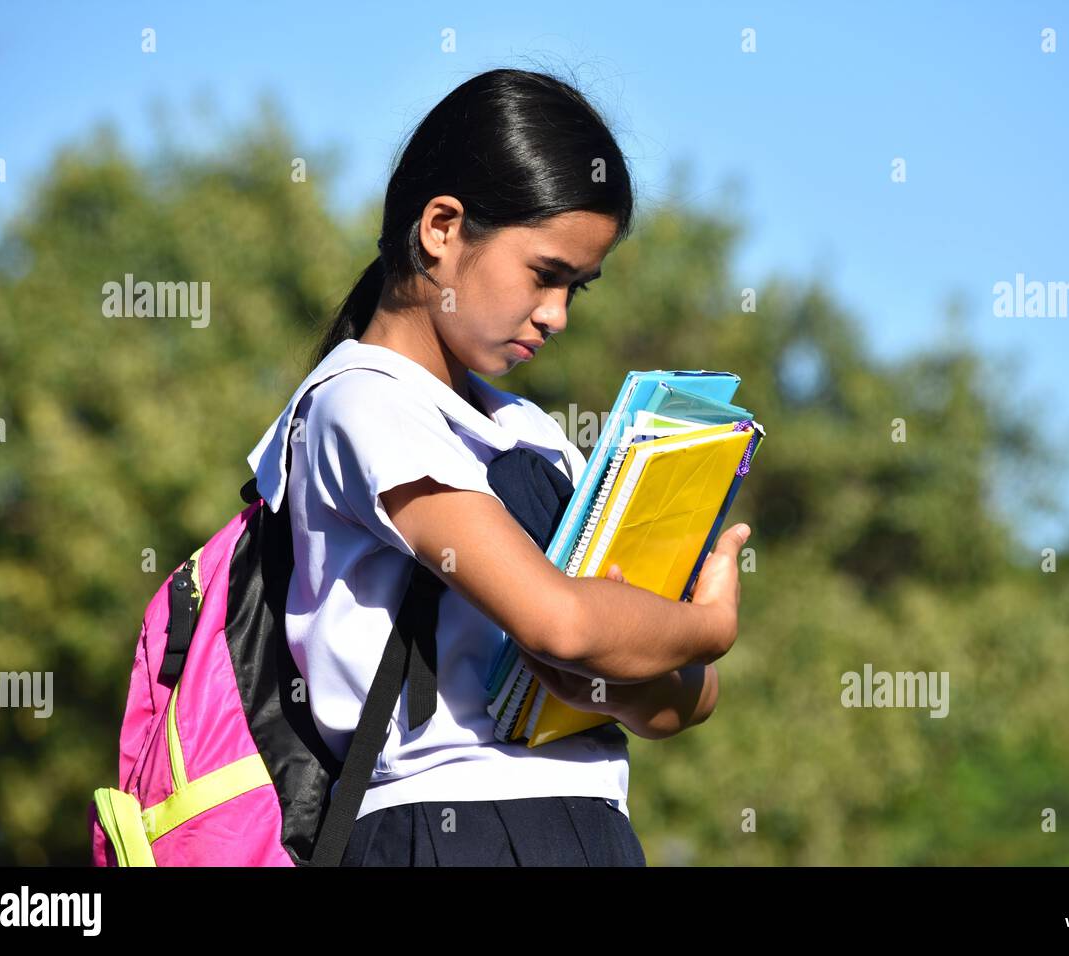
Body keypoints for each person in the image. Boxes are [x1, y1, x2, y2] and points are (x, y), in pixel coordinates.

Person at [247, 67, 750, 867]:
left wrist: (608, 673)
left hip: (588, 827)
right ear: (442, 228)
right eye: (545, 276)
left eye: (576, 291)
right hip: (447, 829)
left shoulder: (534, 432)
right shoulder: (361, 403)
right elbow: (561, 621)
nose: (555, 315)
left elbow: (674, 705)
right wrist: (703, 628)